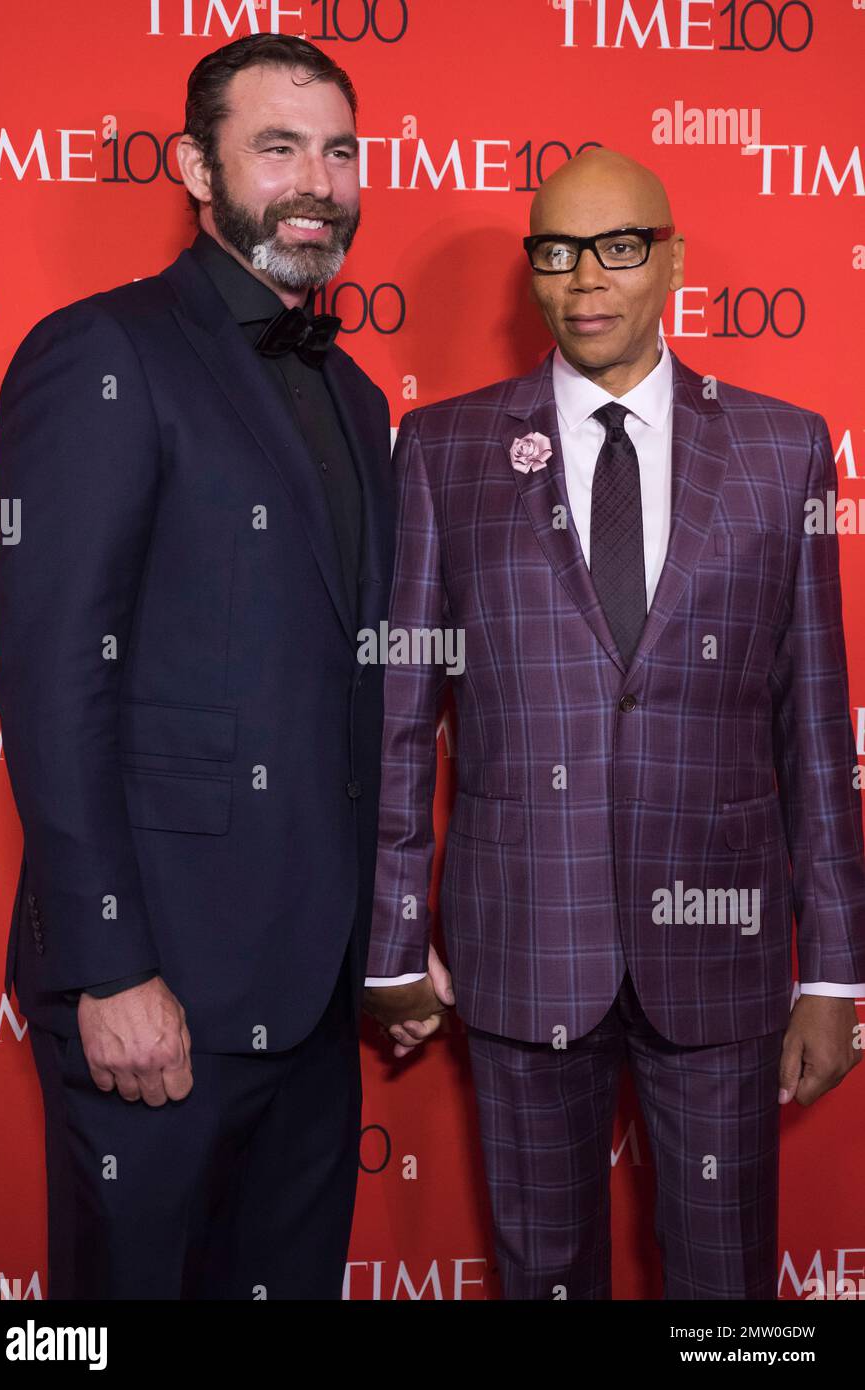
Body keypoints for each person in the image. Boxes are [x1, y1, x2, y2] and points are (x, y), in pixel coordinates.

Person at [363, 147, 865, 1300]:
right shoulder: (445, 452)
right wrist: (393, 935)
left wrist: (837, 974)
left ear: (674, 258)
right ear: (532, 272)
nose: (585, 279)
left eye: (619, 247)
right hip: (524, 943)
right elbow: (400, 719)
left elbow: (817, 731)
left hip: (722, 952)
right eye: (555, 252)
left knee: (726, 1282)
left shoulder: (782, 448)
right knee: (543, 1274)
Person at [0, 33, 394, 1300]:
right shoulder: (101, 355)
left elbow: (355, 694)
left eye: (337, 149)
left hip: (315, 989)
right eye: (278, 147)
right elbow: (55, 680)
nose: (315, 181)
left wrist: (390, 934)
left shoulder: (359, 398)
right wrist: (112, 968)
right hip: (155, 983)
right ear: (197, 169)